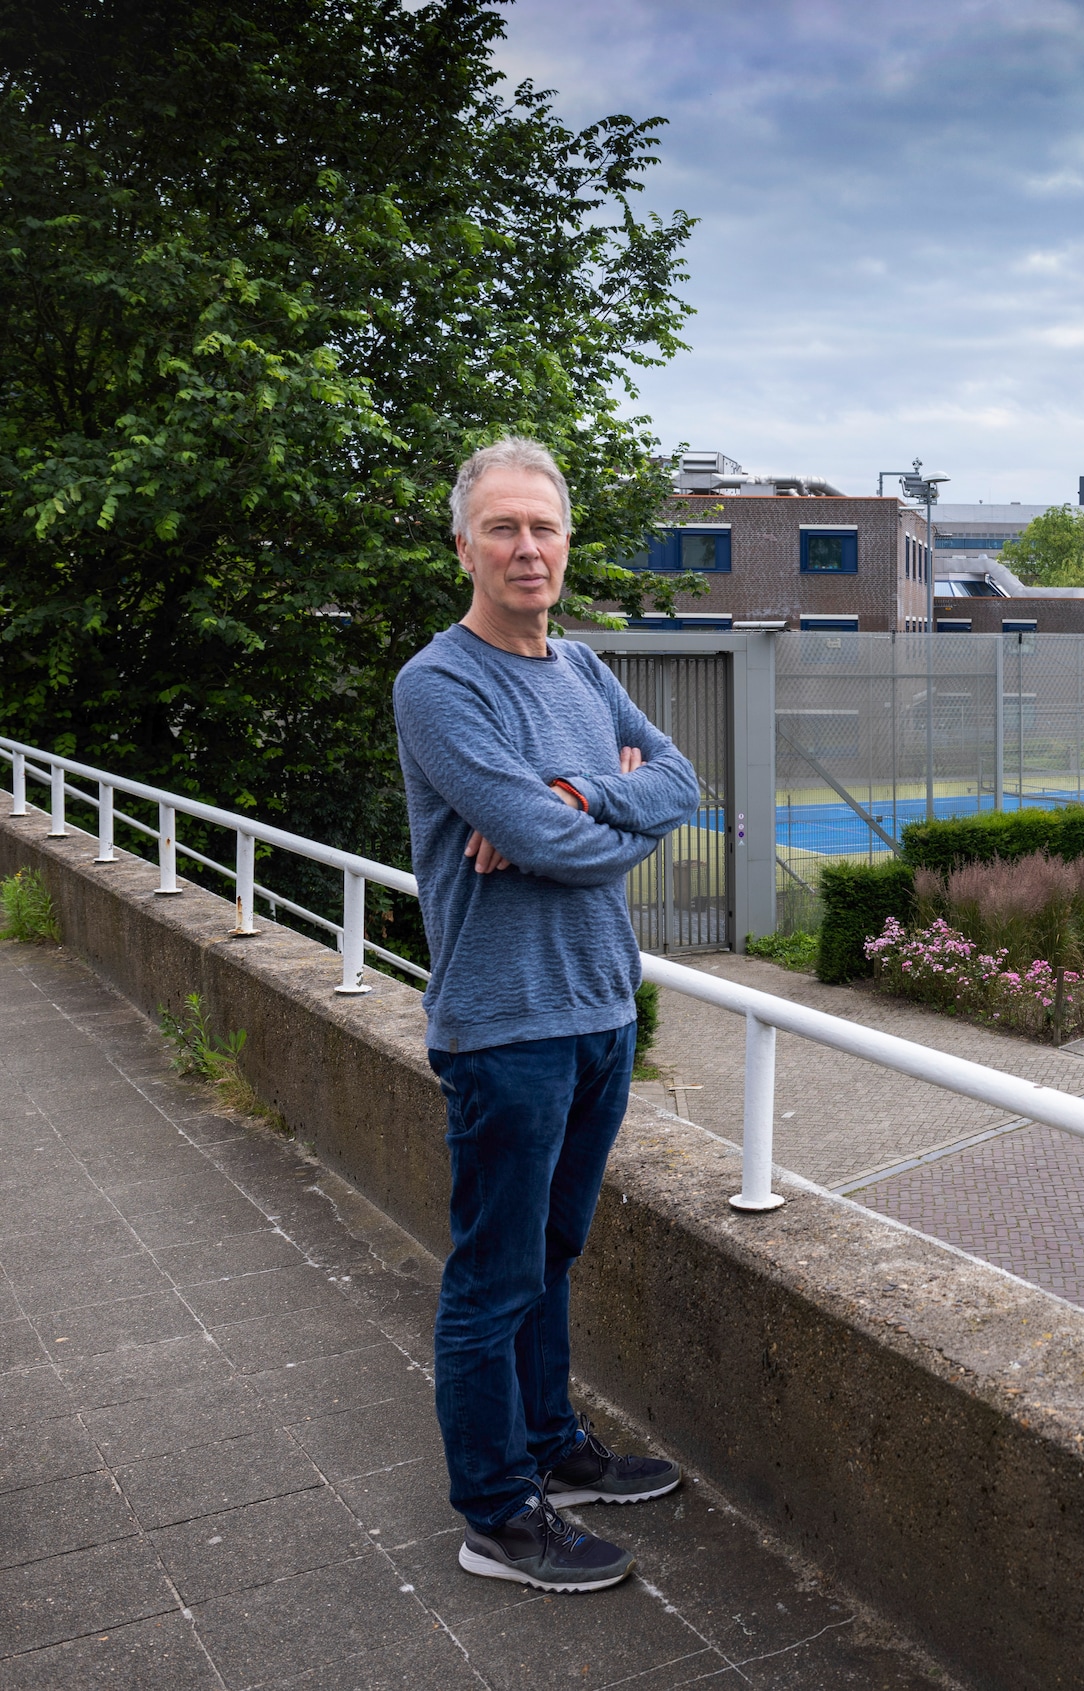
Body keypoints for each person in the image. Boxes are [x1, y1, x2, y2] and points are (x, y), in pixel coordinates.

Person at [395, 437, 702, 1594]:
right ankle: (496, 1513)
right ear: (464, 542)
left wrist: (580, 794)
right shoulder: (441, 683)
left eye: (546, 528)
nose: (528, 548)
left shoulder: (579, 668)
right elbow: (557, 844)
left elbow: (680, 780)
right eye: (504, 528)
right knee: (490, 1275)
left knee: (555, 1250)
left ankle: (550, 1448)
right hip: (506, 1027)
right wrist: (581, 823)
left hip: (599, 1011)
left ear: (567, 543)